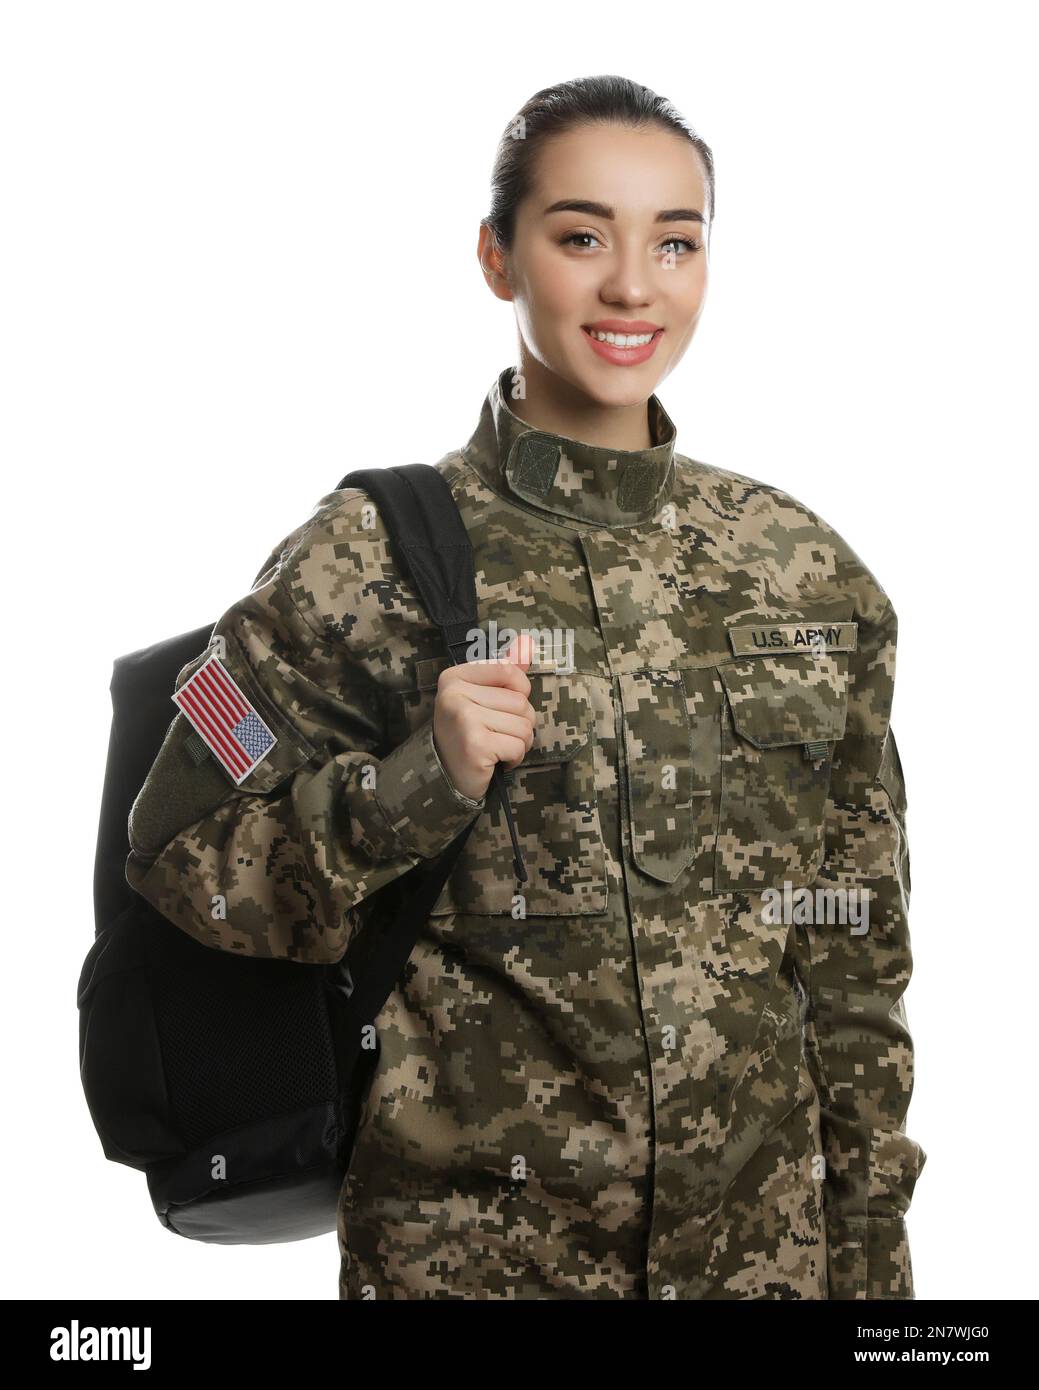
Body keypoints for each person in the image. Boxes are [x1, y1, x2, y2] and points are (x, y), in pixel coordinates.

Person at [126, 74, 926, 1300]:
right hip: (476, 1268)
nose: (631, 286)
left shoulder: (807, 574)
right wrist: (416, 784)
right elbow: (179, 855)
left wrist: (874, 1272)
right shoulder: (370, 554)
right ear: (498, 258)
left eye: (675, 241)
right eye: (580, 235)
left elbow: (853, 952)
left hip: (760, 1268)